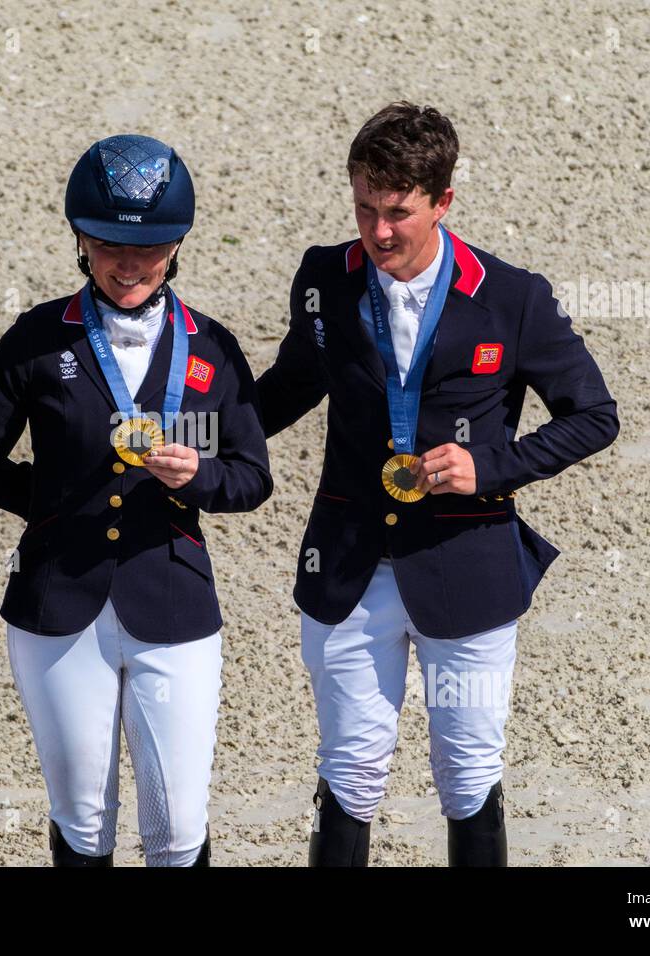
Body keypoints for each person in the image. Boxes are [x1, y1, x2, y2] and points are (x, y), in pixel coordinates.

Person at [256, 102, 619, 866]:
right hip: (350, 565)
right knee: (349, 770)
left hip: (467, 562)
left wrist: (492, 467)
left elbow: (594, 416)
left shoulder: (513, 296)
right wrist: (199, 438)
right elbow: (291, 385)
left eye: (398, 213)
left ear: (443, 201)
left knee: (467, 773)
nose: (378, 231)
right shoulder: (324, 276)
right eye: (364, 208)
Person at [0, 135, 272, 866]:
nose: (128, 265)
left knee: (178, 824)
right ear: (81, 240)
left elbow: (252, 477)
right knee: (83, 819)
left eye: (149, 248)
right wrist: (51, 499)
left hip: (173, 600)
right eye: (108, 245)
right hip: (57, 607)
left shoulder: (212, 349)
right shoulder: (36, 340)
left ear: (176, 246)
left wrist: (196, 478)